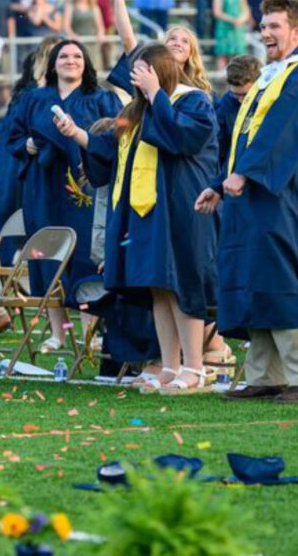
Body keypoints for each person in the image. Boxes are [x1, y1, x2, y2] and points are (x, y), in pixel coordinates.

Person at [60, 39, 218, 393]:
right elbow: (115, 156)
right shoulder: (139, 110)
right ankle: (169, 364)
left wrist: (157, 95)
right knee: (158, 290)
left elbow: (183, 139)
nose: (135, 81)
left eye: (142, 74)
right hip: (145, 214)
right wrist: (78, 135)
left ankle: (195, 367)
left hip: (181, 210)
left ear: (159, 73)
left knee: (182, 287)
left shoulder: (193, 101)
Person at [195, 0, 298, 404]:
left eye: (275, 26)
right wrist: (220, 184)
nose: (266, 33)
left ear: (297, 31)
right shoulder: (273, 73)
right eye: (264, 26)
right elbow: (246, 137)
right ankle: (265, 374)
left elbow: (287, 132)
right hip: (248, 193)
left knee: (279, 276)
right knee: (253, 277)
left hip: (278, 192)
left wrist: (247, 174)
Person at [10, 39, 123, 354]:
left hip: (84, 186)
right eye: (63, 56)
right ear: (53, 63)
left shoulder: (102, 100)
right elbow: (13, 136)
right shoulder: (33, 99)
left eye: (77, 56)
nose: (70, 61)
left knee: (85, 253)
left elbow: (114, 140)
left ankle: (89, 328)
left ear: (86, 63)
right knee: (46, 253)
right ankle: (58, 332)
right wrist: (27, 146)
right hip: (43, 186)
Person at [0, 37, 61, 267]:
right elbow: (12, 138)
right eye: (53, 55)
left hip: (58, 176)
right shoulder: (26, 96)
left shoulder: (81, 96)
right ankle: (9, 278)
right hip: (21, 172)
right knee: (10, 212)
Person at [215, 55, 260, 170]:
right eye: (236, 94)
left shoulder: (269, 101)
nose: (240, 100)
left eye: (245, 95)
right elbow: (220, 146)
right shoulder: (226, 103)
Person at [213, 0, 248, 68]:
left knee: (238, 54)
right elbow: (217, 12)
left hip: (237, 27)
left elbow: (245, 11)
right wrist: (232, 19)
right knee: (222, 54)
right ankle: (222, 78)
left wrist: (240, 19)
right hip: (224, 27)